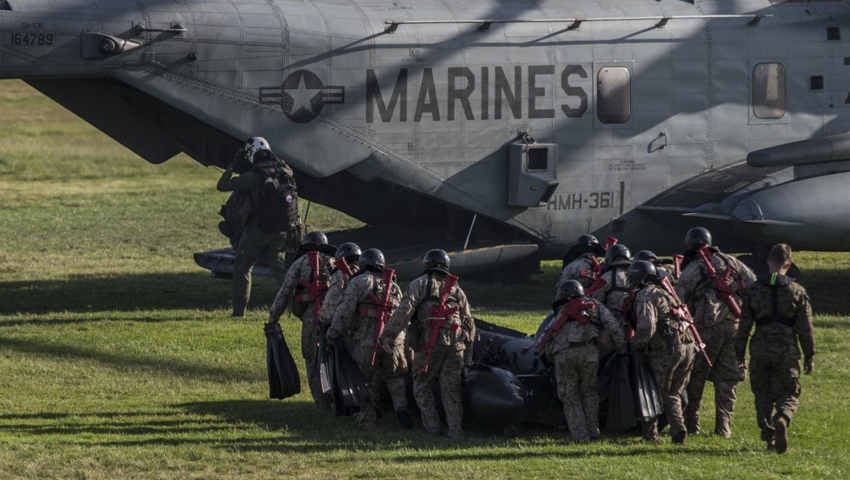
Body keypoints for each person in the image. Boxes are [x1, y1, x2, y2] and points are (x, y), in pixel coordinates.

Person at [381, 249, 475, 440]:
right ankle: (456, 432)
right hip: (456, 346)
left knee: (421, 383)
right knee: (451, 390)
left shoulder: (419, 284)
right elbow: (469, 325)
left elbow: (403, 312)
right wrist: (467, 359)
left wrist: (388, 336)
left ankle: (432, 428)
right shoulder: (457, 290)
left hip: (429, 345)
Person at [676, 227, 756, 437]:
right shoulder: (732, 261)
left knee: (695, 377)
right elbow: (753, 286)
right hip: (735, 326)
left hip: (705, 330)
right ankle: (724, 428)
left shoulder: (691, 269)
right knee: (727, 378)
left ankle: (692, 425)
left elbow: (678, 301)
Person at [737, 244, 814, 454]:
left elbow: (743, 326)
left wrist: (739, 354)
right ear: (788, 265)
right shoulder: (797, 291)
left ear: (768, 262)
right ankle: (783, 417)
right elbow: (805, 328)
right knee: (789, 392)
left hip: (760, 348)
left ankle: (770, 437)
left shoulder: (753, 290)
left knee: (762, 394)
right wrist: (810, 355)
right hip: (786, 350)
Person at [328, 249, 411, 430]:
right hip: (393, 342)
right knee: (395, 378)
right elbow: (404, 317)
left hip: (367, 341)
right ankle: (401, 409)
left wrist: (334, 332)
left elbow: (344, 311)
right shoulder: (395, 288)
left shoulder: (359, 282)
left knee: (366, 380)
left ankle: (368, 421)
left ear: (364, 263)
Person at [217, 137, 298, 317]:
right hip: (282, 230)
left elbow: (221, 186)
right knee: (279, 270)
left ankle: (239, 313)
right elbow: (285, 166)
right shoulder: (285, 172)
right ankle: (297, 307)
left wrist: (232, 165)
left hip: (258, 231)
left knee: (243, 269)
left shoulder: (252, 177)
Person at [541, 280, 626, 442]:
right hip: (590, 354)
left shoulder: (559, 312)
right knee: (589, 392)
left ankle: (581, 437)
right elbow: (613, 327)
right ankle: (593, 432)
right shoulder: (594, 305)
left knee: (570, 396)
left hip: (563, 354)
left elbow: (547, 337)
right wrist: (622, 350)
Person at [268, 231, 336, 410]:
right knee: (335, 356)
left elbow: (285, 292)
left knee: (312, 359)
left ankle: (322, 403)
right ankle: (338, 397)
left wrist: (273, 317)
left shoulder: (299, 263)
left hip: (311, 318)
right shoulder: (334, 263)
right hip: (334, 317)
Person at [630, 260, 696, 444]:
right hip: (689, 345)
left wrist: (635, 344)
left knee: (651, 390)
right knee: (673, 392)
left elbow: (646, 326)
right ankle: (678, 428)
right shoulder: (667, 292)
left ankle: (650, 435)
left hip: (668, 348)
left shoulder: (645, 295)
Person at [590, 244, 633, 347]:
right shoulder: (636, 276)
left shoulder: (605, 278)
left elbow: (595, 305)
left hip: (611, 327)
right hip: (634, 325)